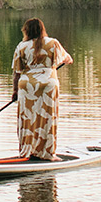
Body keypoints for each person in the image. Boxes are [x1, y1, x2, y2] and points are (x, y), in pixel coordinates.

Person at [12, 17, 73, 161]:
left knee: (28, 119)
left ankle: (27, 151)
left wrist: (15, 91)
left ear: (26, 31)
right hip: (48, 85)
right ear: (42, 30)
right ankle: (47, 153)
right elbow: (68, 59)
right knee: (46, 119)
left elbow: (16, 72)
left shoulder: (21, 46)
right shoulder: (53, 43)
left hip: (27, 86)